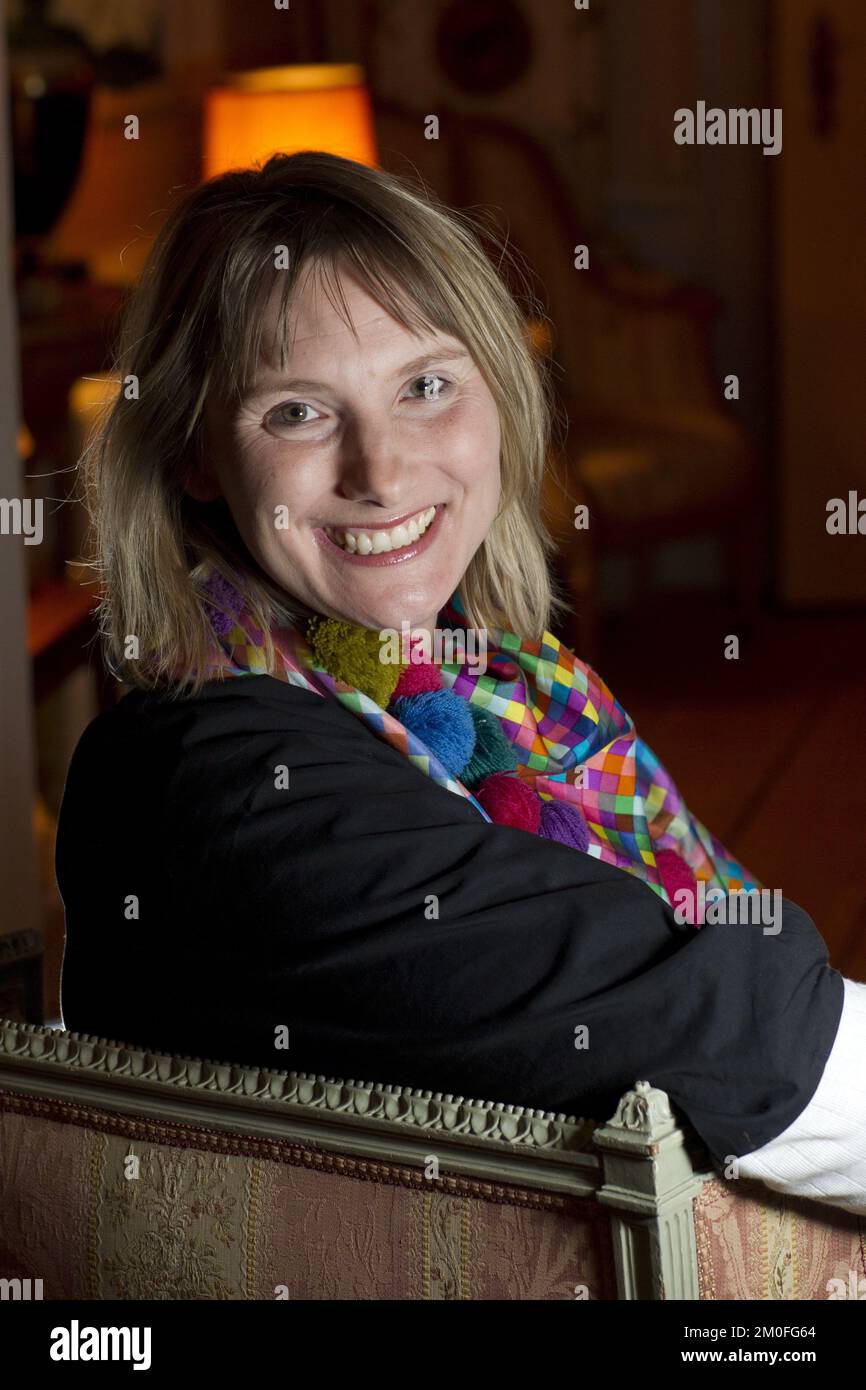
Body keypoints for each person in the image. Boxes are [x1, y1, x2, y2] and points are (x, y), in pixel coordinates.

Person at [56, 151, 865, 1218]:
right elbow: (722, 1019)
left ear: (499, 396)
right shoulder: (214, 780)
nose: (381, 472)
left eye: (425, 385)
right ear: (199, 453)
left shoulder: (501, 690)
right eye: (297, 412)